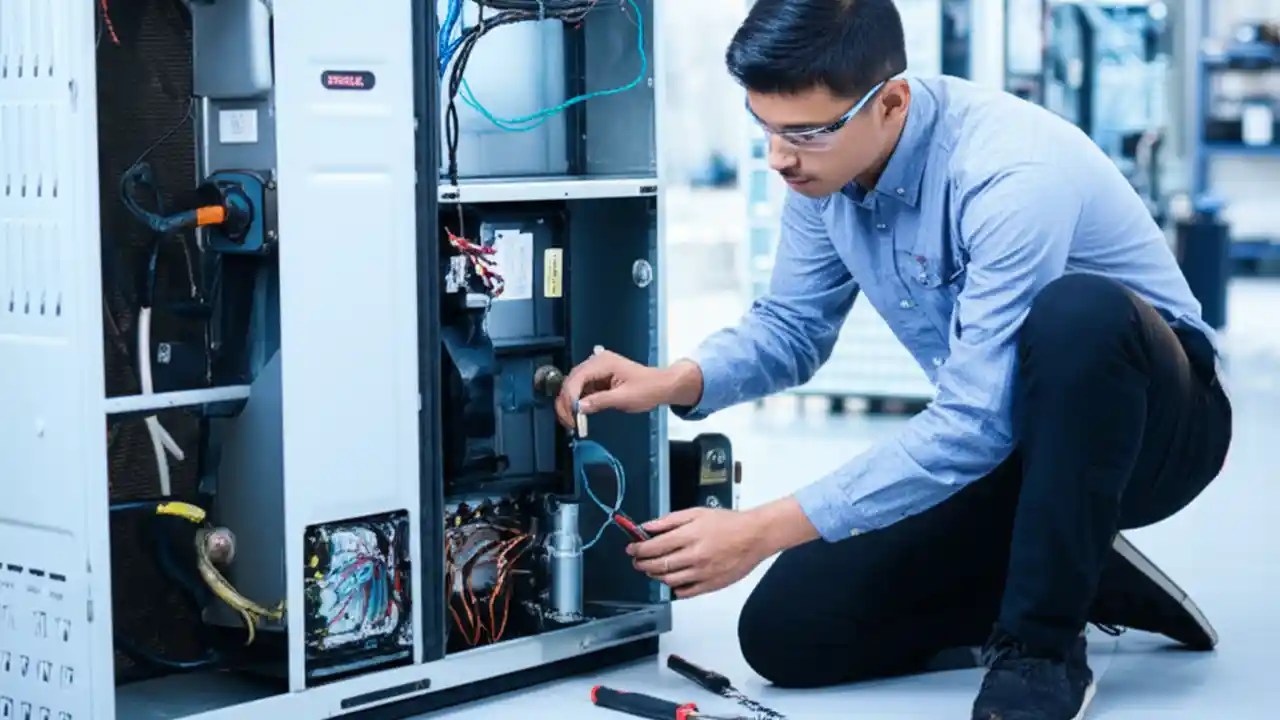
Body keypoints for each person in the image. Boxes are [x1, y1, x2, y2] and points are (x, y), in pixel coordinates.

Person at [555, 1, 1233, 718]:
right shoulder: (822, 171)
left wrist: (757, 531)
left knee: (1079, 314)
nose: (779, 157)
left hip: (1153, 432)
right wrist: (672, 381)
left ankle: (1042, 648)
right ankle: (1082, 567)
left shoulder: (1011, 173)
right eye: (766, 126)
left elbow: (973, 421)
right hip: (1015, 444)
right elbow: (792, 327)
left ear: (891, 103)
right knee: (789, 634)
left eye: (804, 132)